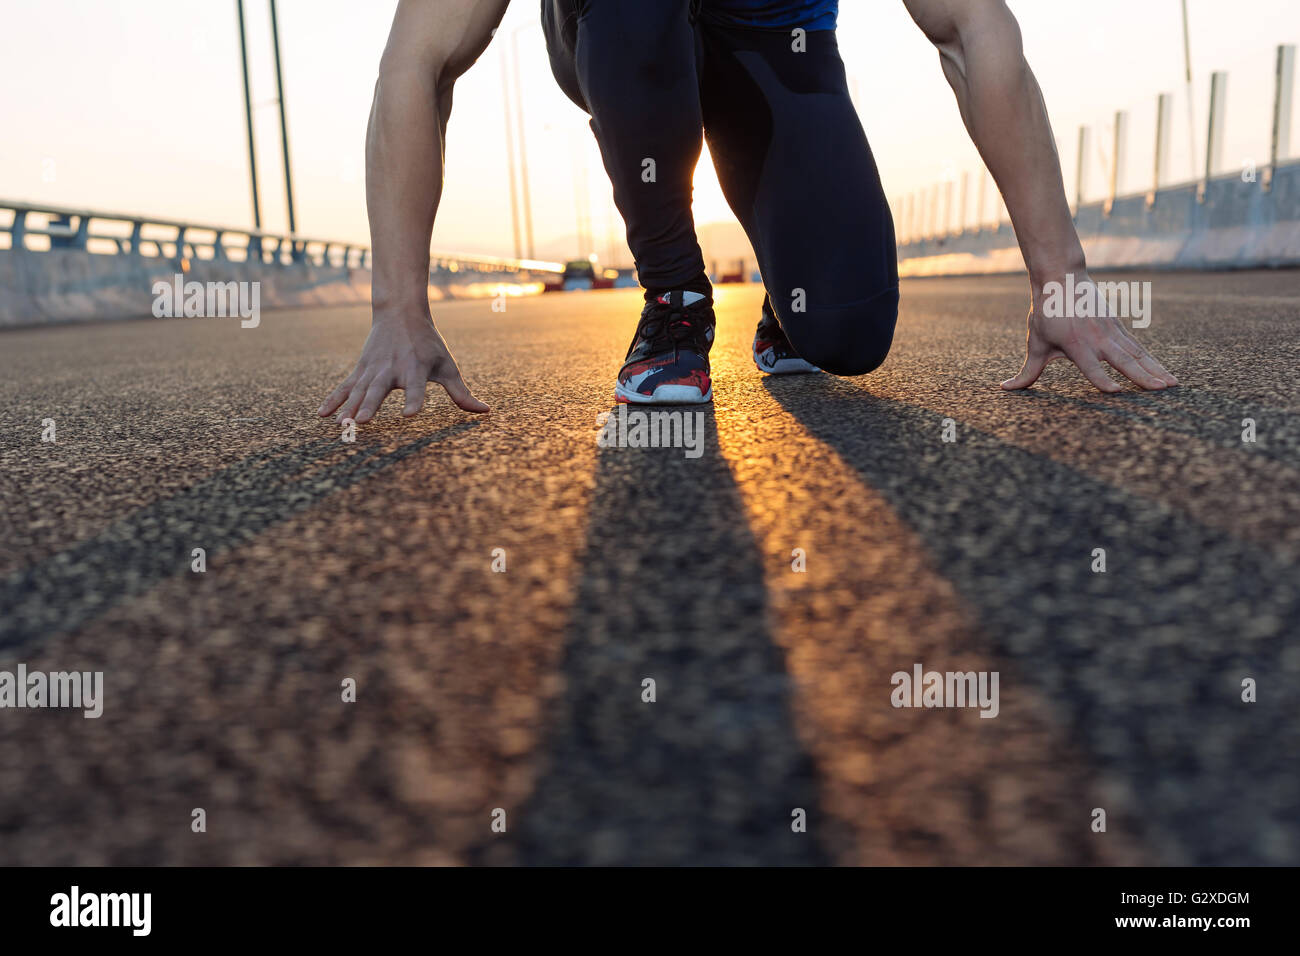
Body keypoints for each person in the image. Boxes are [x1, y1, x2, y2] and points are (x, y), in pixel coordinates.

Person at [318, 0, 1176, 424]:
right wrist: (400, 310)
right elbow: (416, 64)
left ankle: (787, 301)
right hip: (618, 33)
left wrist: (1060, 282)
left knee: (847, 332)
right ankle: (675, 304)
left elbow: (973, 33)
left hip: (767, 47)